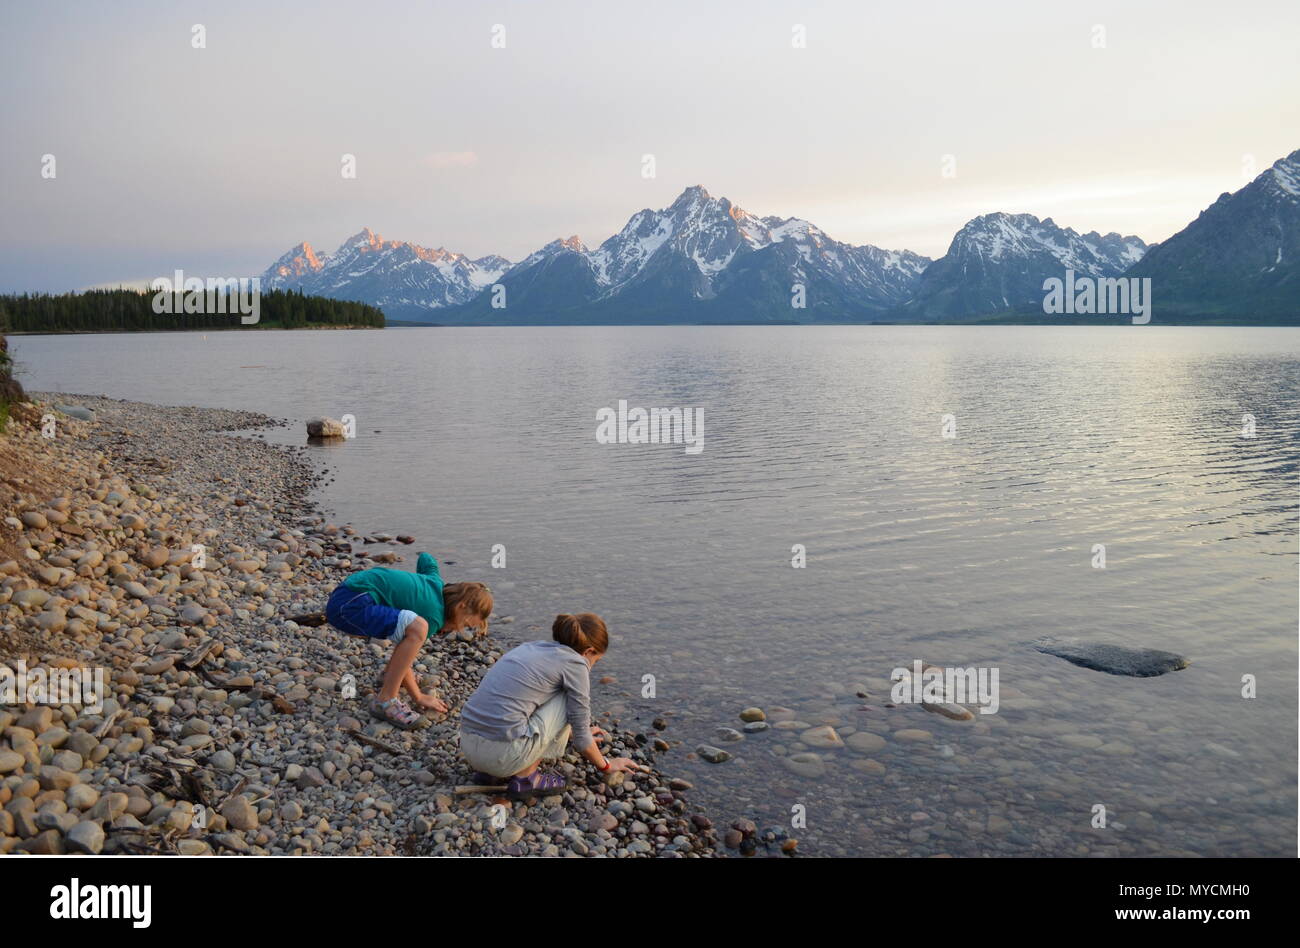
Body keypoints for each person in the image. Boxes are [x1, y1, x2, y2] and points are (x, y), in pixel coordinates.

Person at [459, 612, 643, 798]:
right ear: (588, 651)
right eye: (596, 660)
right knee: (567, 696)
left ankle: (489, 775)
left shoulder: (530, 648)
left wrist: (567, 733)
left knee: (533, 696)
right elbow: (582, 740)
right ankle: (527, 779)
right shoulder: (575, 664)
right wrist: (607, 765)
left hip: (468, 744)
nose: (592, 666)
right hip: (501, 757)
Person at [325, 551, 492, 728]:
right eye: (465, 623)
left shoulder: (434, 581)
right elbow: (404, 651)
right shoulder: (433, 615)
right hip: (350, 607)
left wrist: (411, 586)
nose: (459, 629)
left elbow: (426, 558)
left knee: (409, 628)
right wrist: (418, 696)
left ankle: (388, 675)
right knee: (418, 628)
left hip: (348, 592)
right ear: (460, 607)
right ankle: (386, 700)